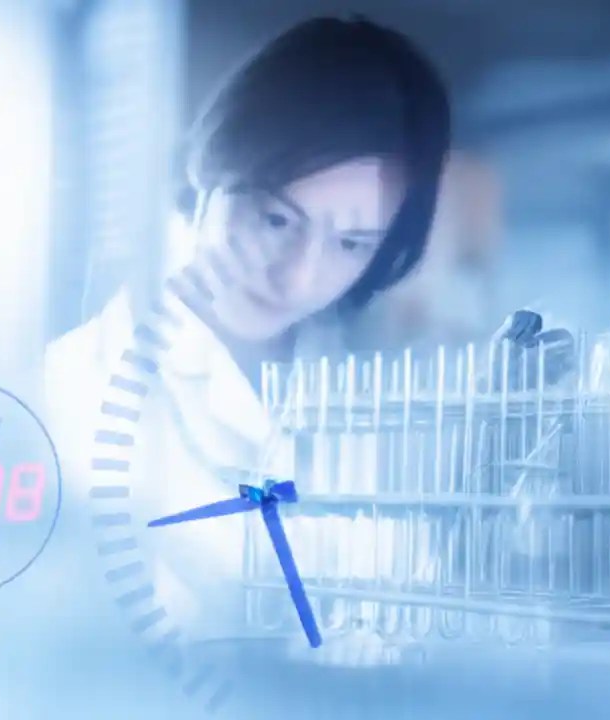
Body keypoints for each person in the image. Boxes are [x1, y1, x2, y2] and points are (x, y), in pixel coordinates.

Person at [44, 16, 451, 656]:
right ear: (213, 171)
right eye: (275, 219)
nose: (298, 274)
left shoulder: (376, 402)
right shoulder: (74, 388)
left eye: (350, 244)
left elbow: (417, 608)